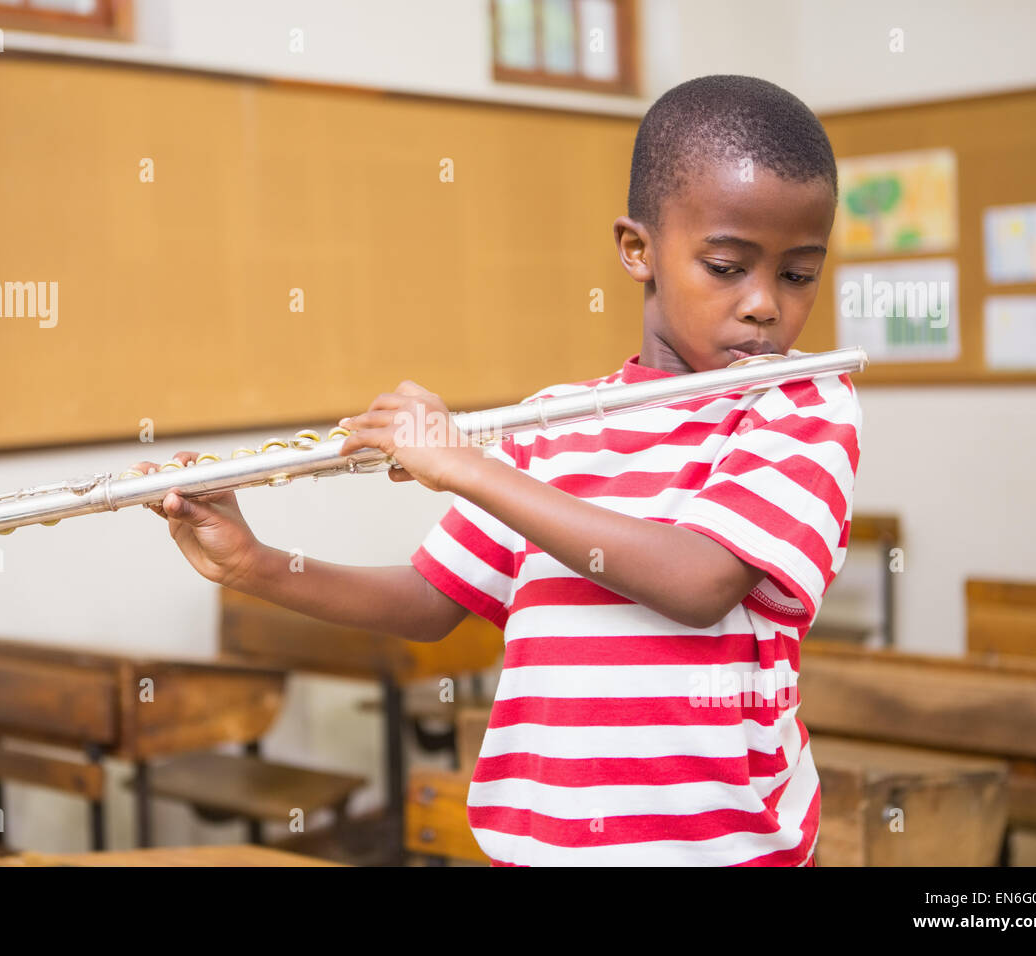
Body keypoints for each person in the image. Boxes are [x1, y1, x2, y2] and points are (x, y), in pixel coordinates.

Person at [130, 74, 860, 866]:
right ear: (637, 249)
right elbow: (430, 602)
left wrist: (466, 468)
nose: (765, 306)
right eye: (727, 266)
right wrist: (255, 564)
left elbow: (700, 581)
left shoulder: (803, 402)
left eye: (797, 275)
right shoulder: (552, 420)